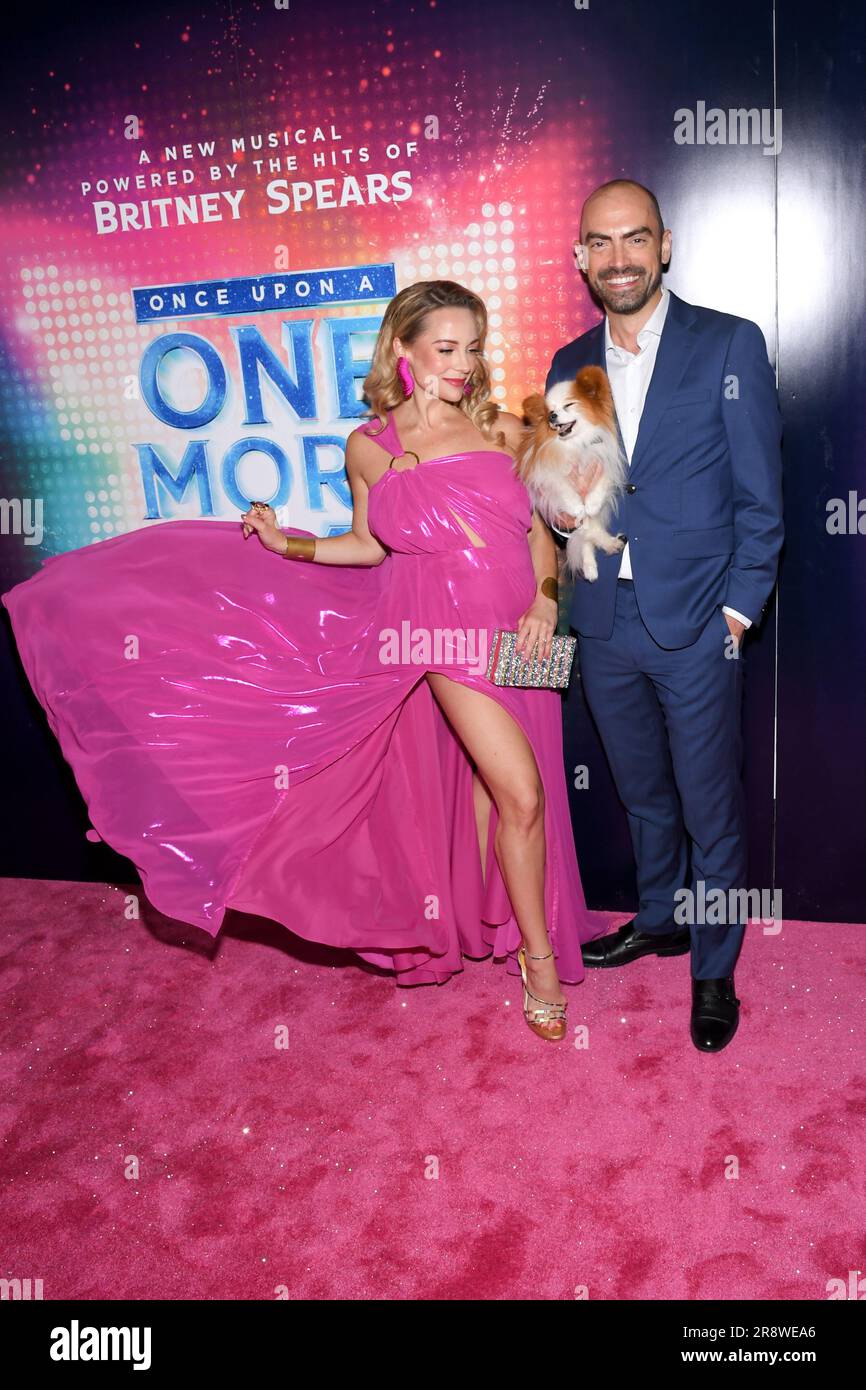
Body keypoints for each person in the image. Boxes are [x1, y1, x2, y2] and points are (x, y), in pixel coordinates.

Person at [2, 279, 603, 1042]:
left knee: (501, 795)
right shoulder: (370, 446)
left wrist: (547, 600)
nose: (463, 364)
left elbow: (539, 533)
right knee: (523, 794)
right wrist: (287, 543)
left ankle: (499, 924)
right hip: (440, 638)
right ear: (403, 349)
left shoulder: (507, 429)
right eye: (446, 348)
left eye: (473, 349)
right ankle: (539, 961)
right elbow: (367, 546)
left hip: (525, 633)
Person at [547, 180, 783, 1052]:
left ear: (665, 244)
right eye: (601, 243)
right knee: (642, 792)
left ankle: (714, 968)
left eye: (635, 239)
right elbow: (567, 490)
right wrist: (562, 513)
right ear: (581, 257)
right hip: (604, 617)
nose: (619, 259)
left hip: (698, 623)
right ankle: (660, 920)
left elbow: (761, 499)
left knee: (709, 805)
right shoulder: (567, 361)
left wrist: (738, 612)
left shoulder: (728, 343)